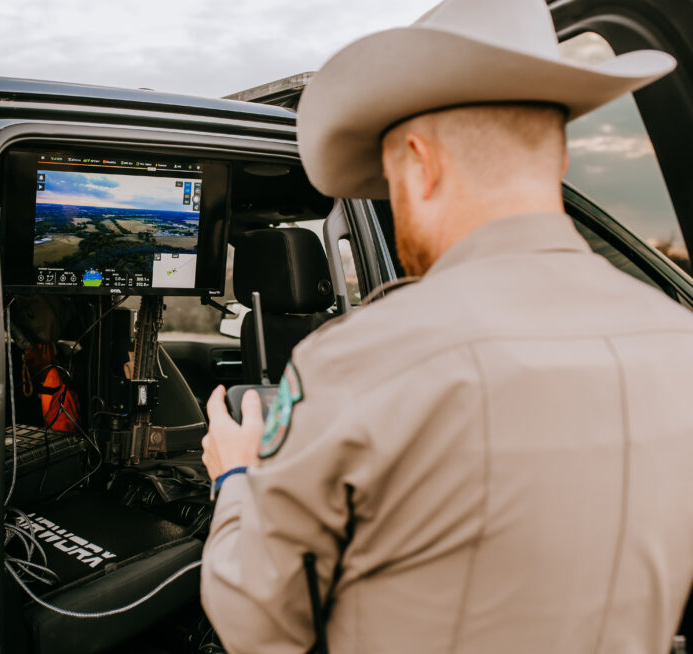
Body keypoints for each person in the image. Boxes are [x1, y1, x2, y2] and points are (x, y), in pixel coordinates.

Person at [199, 0, 693, 652]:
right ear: (561, 160)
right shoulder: (678, 338)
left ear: (420, 162)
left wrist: (235, 479)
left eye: (389, 186)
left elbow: (260, 624)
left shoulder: (356, 361)